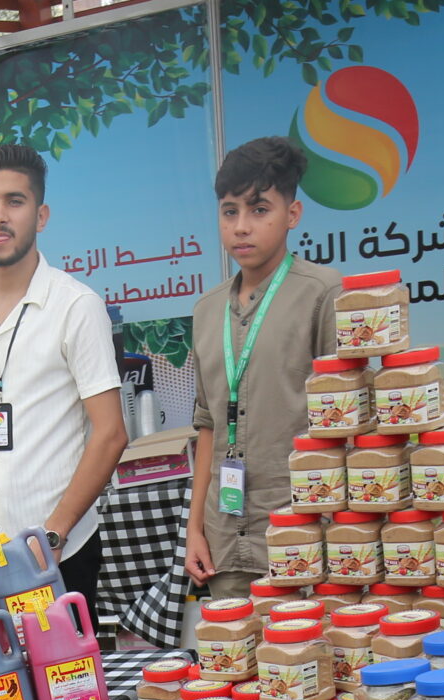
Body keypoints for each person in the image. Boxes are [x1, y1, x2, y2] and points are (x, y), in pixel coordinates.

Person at [0, 143, 127, 613]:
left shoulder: (76, 307)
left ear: (41, 215)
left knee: (64, 664)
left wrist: (54, 533)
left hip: (59, 553)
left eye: (15, 201)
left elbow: (111, 433)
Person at [184, 137, 342, 601]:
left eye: (259, 210)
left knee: (309, 649)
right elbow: (208, 425)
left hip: (305, 533)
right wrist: (195, 529)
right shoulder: (206, 309)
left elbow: (346, 422)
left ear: (292, 215)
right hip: (225, 538)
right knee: (233, 647)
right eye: (229, 212)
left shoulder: (322, 293)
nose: (241, 227)